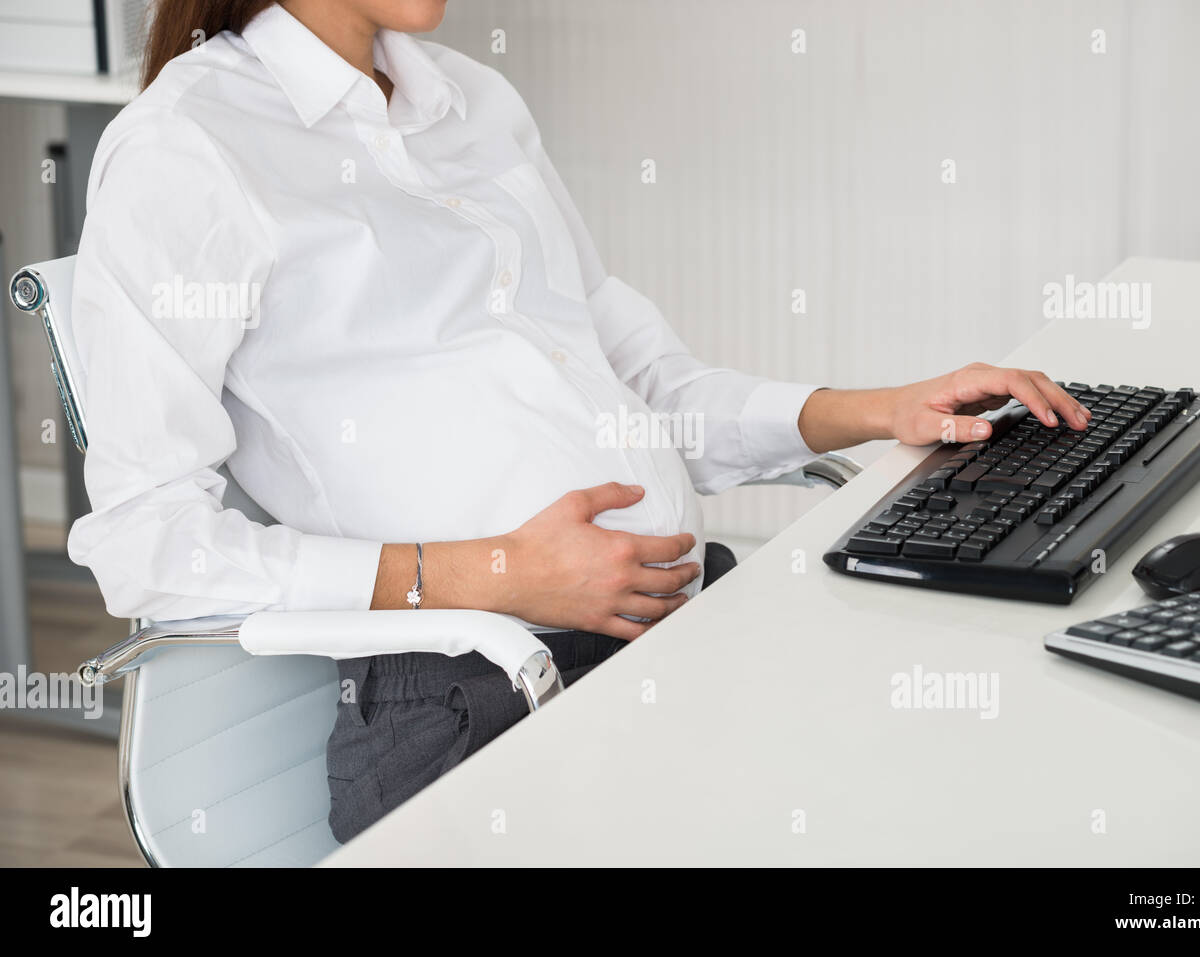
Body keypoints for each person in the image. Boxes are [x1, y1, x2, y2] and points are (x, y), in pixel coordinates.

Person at [68, 0, 1091, 841]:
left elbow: (644, 383)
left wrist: (877, 410)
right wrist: (492, 574)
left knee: (976, 781)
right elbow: (146, 542)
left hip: (675, 632)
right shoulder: (189, 147)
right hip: (477, 698)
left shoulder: (471, 100)